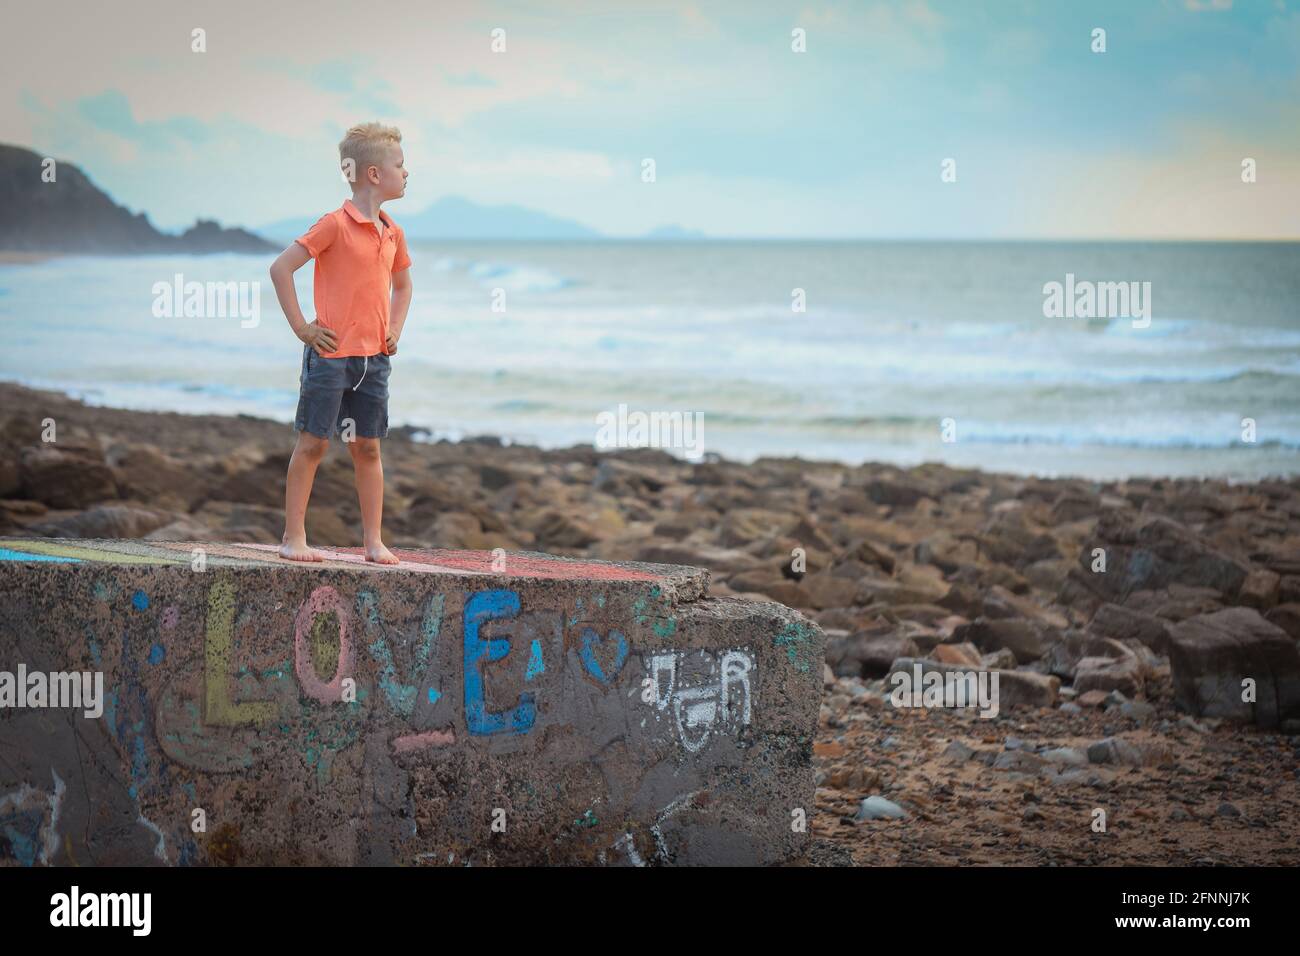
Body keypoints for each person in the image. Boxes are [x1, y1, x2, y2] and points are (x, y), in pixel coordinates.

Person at [268, 121, 412, 564]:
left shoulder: (392, 231)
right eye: (400, 165)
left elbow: (403, 286)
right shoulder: (334, 225)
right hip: (330, 358)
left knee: (367, 448)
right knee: (313, 444)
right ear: (373, 174)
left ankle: (373, 542)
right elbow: (281, 268)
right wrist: (302, 328)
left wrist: (395, 329)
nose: (406, 173)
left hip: (374, 360)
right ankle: (294, 538)